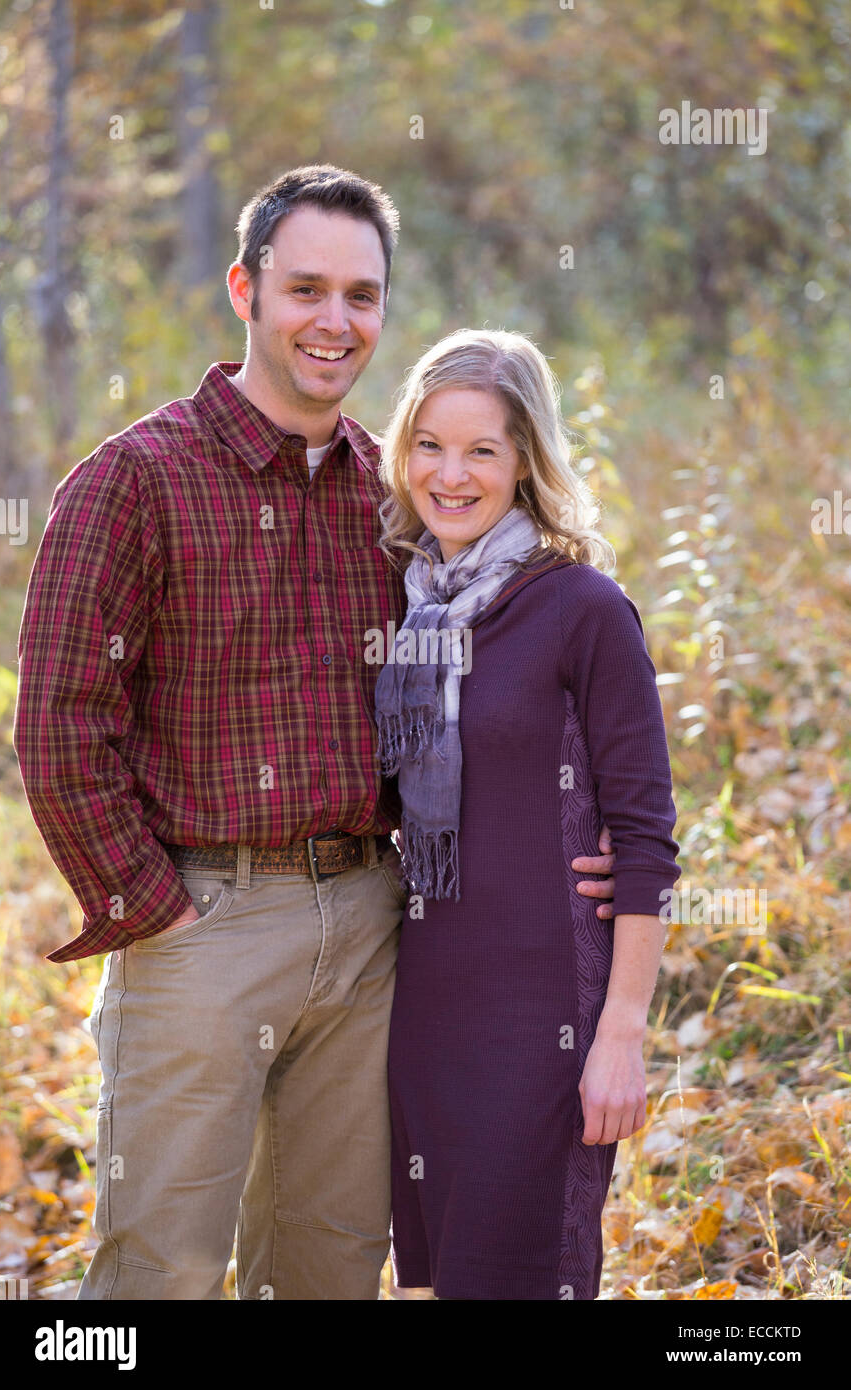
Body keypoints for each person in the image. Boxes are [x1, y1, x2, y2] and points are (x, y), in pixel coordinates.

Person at [12, 168, 620, 1300]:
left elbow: (505, 688)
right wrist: (159, 909)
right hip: (202, 918)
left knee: (331, 1264)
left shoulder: (392, 500)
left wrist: (577, 837)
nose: (333, 322)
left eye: (360, 294)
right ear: (245, 289)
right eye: (304, 289)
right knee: (160, 1268)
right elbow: (56, 723)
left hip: (375, 925)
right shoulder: (134, 479)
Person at [375, 329, 681, 1301]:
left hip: (542, 1008)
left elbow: (642, 841)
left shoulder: (582, 609)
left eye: (481, 451)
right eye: (428, 443)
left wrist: (620, 1033)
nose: (449, 474)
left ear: (526, 463)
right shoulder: (409, 607)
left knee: (520, 1273)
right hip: (422, 1001)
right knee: (437, 1278)